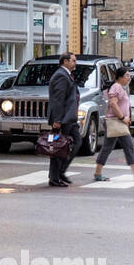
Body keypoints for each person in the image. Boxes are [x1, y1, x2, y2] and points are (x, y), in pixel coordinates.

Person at [93, 66, 134, 182]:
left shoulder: (119, 87)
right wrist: (123, 117)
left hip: (117, 122)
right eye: (127, 76)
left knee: (108, 148)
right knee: (126, 146)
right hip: (116, 121)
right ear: (119, 77)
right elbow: (113, 104)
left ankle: (98, 173)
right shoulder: (116, 87)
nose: (129, 78)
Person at [46, 51, 81, 187]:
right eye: (73, 60)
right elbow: (58, 100)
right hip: (63, 119)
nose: (75, 63)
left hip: (69, 118)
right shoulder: (61, 75)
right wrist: (58, 120)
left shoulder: (67, 75)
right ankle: (54, 178)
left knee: (76, 142)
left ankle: (60, 172)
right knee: (59, 147)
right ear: (65, 61)